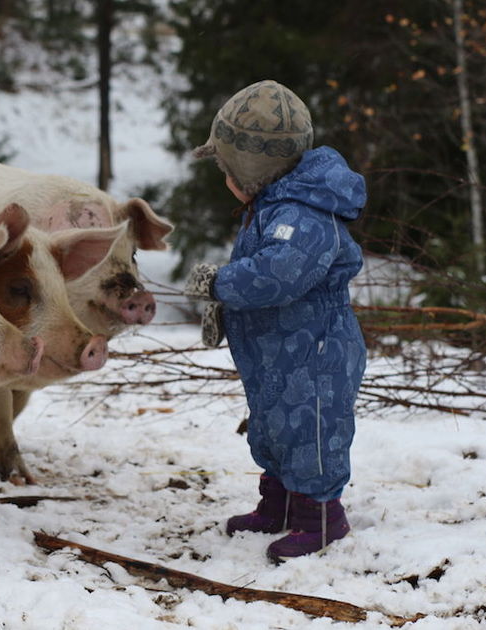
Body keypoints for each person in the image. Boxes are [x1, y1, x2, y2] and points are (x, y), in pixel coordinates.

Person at [182, 80, 367, 562]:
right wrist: (224, 311)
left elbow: (278, 274)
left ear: (249, 169)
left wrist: (220, 284)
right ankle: (279, 503)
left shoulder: (305, 215)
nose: (223, 178)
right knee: (273, 428)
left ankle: (321, 516)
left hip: (315, 354)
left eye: (225, 167)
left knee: (312, 432)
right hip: (276, 354)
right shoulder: (272, 206)